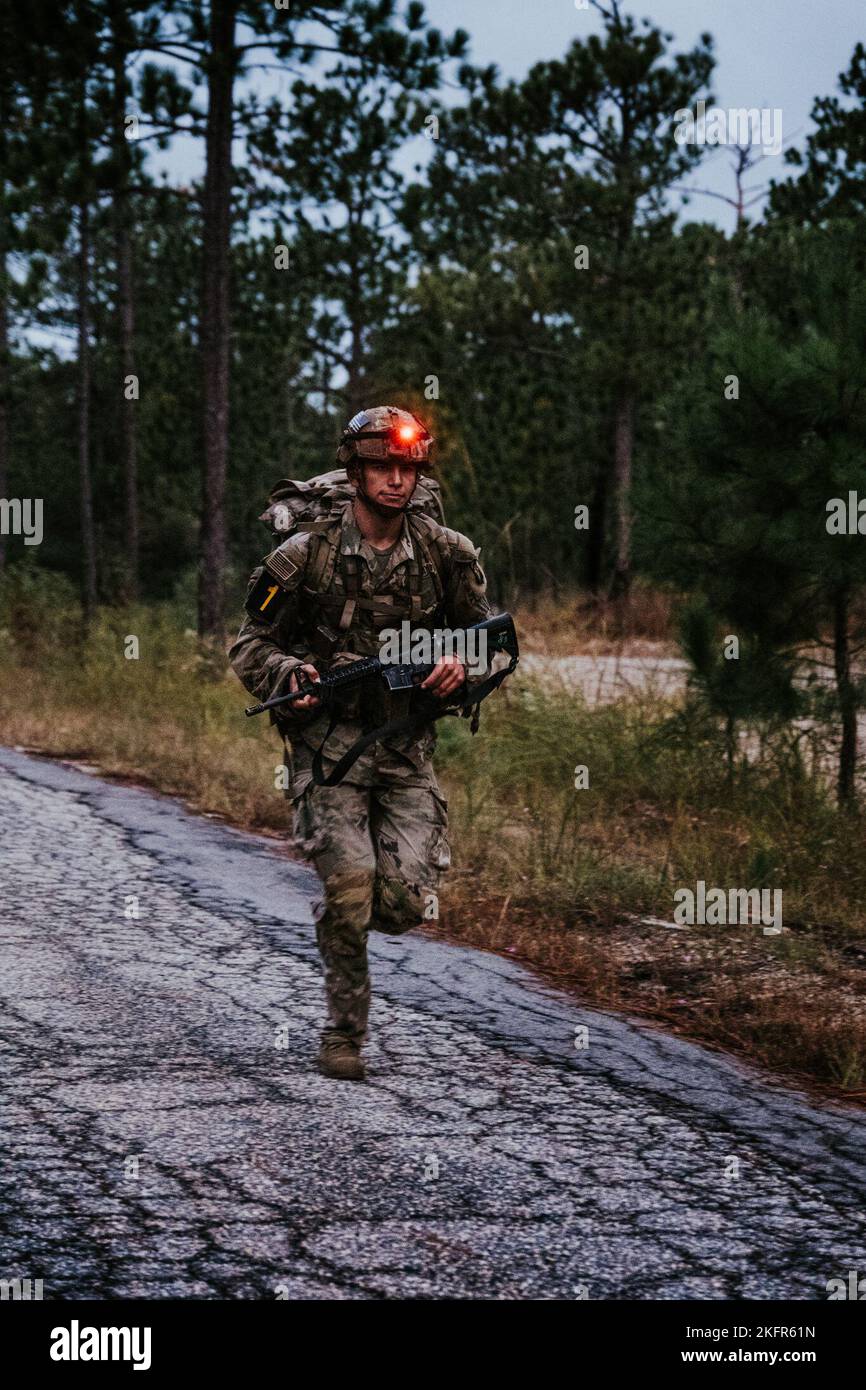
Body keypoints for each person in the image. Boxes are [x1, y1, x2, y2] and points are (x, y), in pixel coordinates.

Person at [229, 406, 493, 1080]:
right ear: (354, 470)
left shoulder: (447, 554)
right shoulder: (304, 555)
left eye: (407, 467)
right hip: (328, 750)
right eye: (382, 465)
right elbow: (249, 642)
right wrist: (292, 674)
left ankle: (344, 916)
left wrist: (464, 666)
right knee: (351, 892)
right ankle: (344, 1034)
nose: (396, 479)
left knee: (402, 904)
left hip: (406, 747)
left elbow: (492, 642)